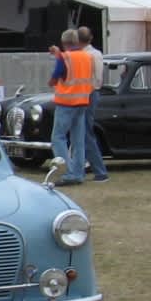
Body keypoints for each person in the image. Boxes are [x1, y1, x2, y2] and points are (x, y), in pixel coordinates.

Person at [47, 28, 95, 185]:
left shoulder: (65, 57)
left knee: (58, 138)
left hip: (66, 102)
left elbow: (57, 74)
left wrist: (51, 82)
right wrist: (58, 54)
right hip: (83, 102)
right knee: (78, 140)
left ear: (64, 43)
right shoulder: (87, 57)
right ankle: (78, 173)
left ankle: (67, 172)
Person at [74, 26, 110, 182]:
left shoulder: (83, 55)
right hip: (92, 92)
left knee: (85, 132)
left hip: (86, 94)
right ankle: (86, 169)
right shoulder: (96, 54)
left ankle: (99, 170)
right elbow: (99, 78)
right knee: (83, 132)